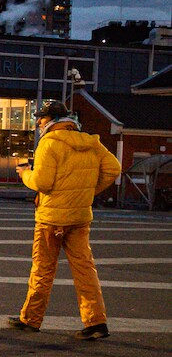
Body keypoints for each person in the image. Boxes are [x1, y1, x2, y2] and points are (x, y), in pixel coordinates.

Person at [9, 101, 121, 340]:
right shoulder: (92, 142)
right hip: (80, 217)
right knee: (85, 270)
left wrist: (24, 173)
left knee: (43, 270)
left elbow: (42, 183)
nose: (38, 123)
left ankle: (30, 319)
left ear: (49, 120)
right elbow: (114, 169)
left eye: (40, 119)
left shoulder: (48, 143)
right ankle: (96, 322)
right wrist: (86, 192)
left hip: (51, 218)